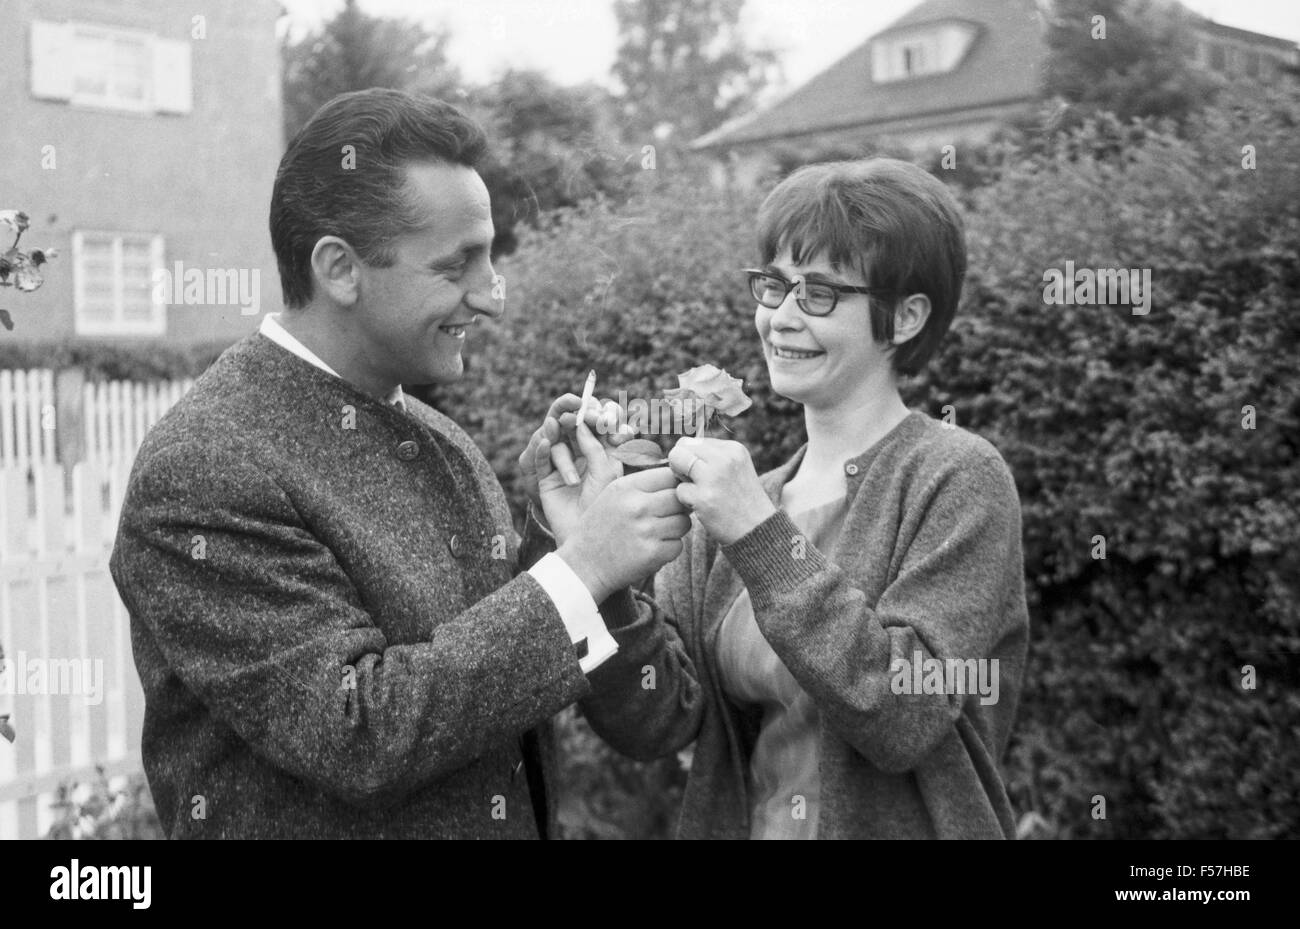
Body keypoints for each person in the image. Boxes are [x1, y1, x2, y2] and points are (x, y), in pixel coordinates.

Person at [109, 88, 691, 839]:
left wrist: (563, 540)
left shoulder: (445, 439)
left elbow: (523, 690)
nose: (493, 298)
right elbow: (354, 730)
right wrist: (580, 572)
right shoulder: (206, 466)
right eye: (457, 266)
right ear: (340, 269)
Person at [579, 158, 1030, 839]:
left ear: (904, 316)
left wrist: (759, 535)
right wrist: (599, 572)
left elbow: (904, 714)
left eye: (818, 292)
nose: (779, 318)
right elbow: (656, 722)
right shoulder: (742, 502)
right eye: (774, 286)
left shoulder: (958, 477)